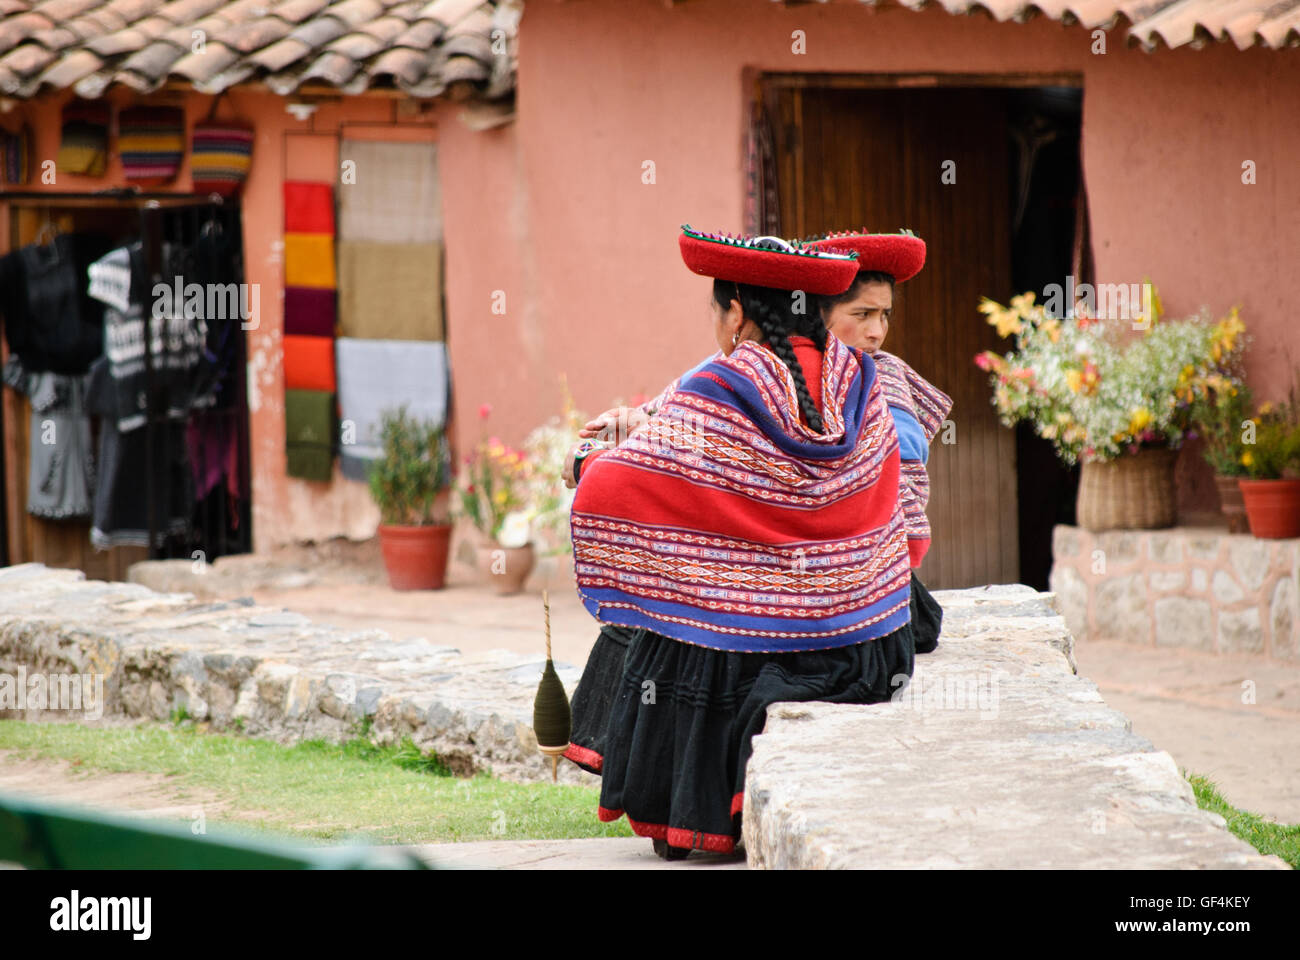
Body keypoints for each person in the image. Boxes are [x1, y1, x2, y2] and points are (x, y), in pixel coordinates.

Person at [560, 226, 916, 859]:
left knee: (680, 625)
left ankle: (697, 820)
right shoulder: (860, 379)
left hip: (767, 640)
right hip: (867, 638)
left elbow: (618, 488)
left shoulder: (723, 386)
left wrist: (588, 462)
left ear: (736, 312)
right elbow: (887, 493)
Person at [807, 230, 952, 654]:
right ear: (818, 313)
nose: (877, 331)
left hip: (873, 568)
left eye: (884, 315)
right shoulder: (784, 372)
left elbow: (905, 473)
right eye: (863, 314)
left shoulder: (883, 379)